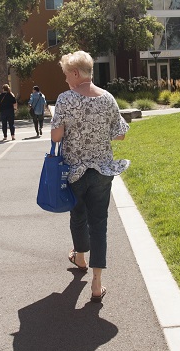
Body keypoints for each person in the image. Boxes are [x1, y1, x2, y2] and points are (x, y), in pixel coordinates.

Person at [49, 51, 130, 302]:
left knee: (78, 215)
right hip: (103, 170)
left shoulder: (65, 99)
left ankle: (80, 257)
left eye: (66, 75)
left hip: (75, 170)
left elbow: (56, 137)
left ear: (75, 73)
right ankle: (97, 283)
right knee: (99, 223)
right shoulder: (107, 98)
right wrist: (98, 133)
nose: (65, 80)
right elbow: (121, 134)